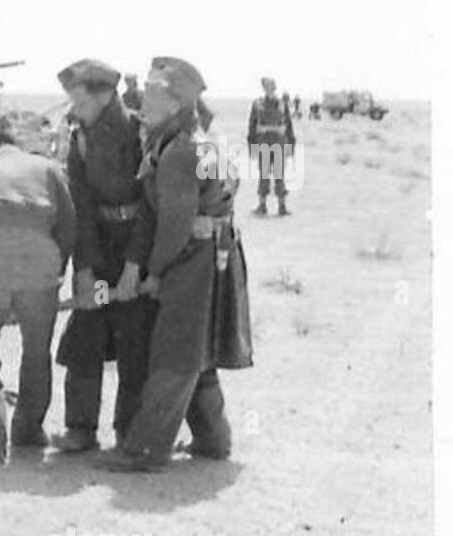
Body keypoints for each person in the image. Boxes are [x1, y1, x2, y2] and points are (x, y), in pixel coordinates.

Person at [101, 57, 251, 472]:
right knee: (195, 348)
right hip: (208, 252)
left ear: (173, 103)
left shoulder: (181, 149)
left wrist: (154, 273)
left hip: (195, 257)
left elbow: (173, 225)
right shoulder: (179, 141)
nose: (140, 97)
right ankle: (212, 440)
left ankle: (146, 449)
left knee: (176, 353)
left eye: (150, 91)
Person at [51, 59, 154, 453]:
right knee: (85, 333)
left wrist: (133, 267)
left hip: (135, 244)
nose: (73, 107)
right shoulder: (80, 138)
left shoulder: (139, 134)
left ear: (105, 95)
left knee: (134, 340)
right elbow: (80, 205)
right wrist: (87, 269)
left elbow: (150, 209)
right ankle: (80, 427)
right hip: (99, 244)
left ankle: (129, 432)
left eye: (78, 99)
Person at [0, 125, 76, 463]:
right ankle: (28, 431)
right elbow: (69, 225)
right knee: (37, 351)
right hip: (40, 260)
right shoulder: (49, 168)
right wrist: (57, 270)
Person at [248, 76, 295, 216]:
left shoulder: (282, 104)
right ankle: (262, 206)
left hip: (279, 142)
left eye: (270, 85)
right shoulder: (257, 104)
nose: (268, 88)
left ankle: (282, 206)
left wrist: (291, 144)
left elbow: (289, 125)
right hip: (263, 142)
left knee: (279, 174)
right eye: (266, 85)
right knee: (264, 174)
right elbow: (252, 125)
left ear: (275, 87)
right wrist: (252, 145)